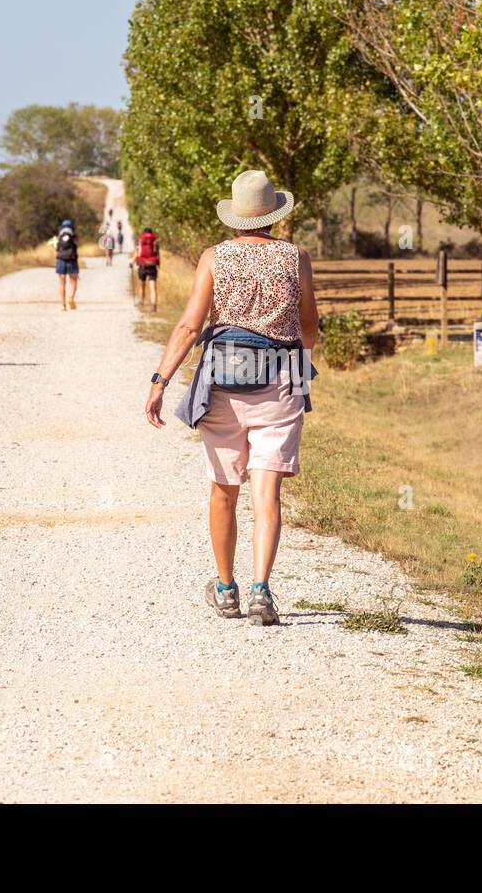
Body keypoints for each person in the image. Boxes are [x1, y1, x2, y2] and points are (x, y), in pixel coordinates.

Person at [144, 170, 318, 627]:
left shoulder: (215, 257)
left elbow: (188, 325)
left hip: (224, 379)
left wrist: (161, 380)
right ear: (275, 215)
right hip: (283, 380)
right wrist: (297, 361)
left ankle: (226, 589)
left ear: (235, 217)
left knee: (224, 489)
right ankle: (261, 587)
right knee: (267, 491)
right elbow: (310, 326)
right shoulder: (295, 257)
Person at [55, 218, 79, 310]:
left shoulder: (59, 236)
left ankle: (62, 304)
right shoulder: (73, 236)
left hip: (61, 260)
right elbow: (76, 247)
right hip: (71, 260)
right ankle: (71, 298)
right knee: (73, 281)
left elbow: (57, 250)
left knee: (62, 283)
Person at [134, 226, 160, 311]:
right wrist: (158, 264)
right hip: (152, 265)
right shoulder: (155, 240)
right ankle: (154, 305)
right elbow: (157, 254)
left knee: (142, 285)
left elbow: (137, 252)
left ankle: (141, 302)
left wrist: (132, 262)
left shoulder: (141, 240)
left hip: (143, 265)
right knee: (153, 287)